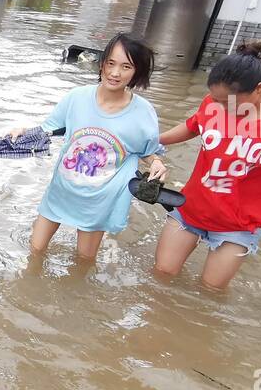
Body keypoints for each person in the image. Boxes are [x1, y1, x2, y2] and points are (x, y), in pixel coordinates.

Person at [153, 41, 261, 290]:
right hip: (192, 207)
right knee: (161, 275)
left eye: (228, 103)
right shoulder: (217, 99)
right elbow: (193, 126)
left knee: (210, 291)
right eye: (216, 100)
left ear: (258, 90)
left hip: (239, 222)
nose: (220, 107)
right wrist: (154, 141)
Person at [9, 32, 166, 259]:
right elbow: (46, 130)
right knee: (35, 249)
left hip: (100, 199)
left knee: (84, 260)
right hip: (62, 189)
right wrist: (22, 131)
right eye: (110, 63)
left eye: (125, 67)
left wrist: (157, 163)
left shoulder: (143, 113)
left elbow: (148, 152)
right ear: (101, 63)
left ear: (136, 73)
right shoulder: (76, 97)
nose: (114, 73)